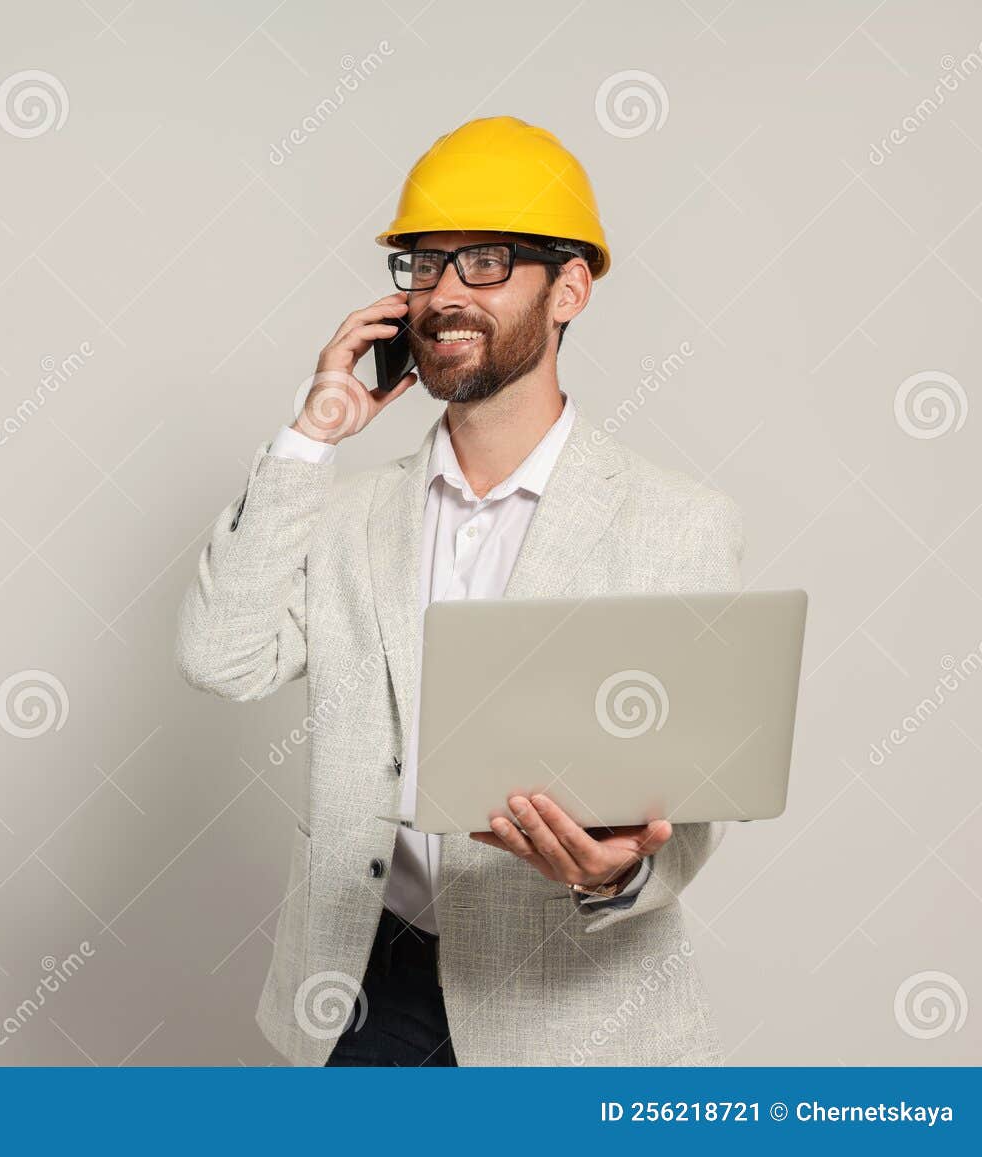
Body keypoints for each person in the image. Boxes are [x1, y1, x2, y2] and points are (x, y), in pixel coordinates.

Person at [175, 116, 741, 1066]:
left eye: (484, 263)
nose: (444, 295)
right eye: (425, 265)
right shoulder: (347, 515)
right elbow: (218, 657)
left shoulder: (677, 523)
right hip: (361, 998)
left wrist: (616, 874)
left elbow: (693, 804)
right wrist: (312, 436)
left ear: (570, 289)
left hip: (574, 1011)